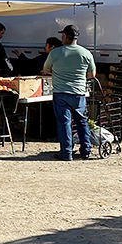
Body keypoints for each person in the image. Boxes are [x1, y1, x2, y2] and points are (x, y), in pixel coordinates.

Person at [43, 24, 96, 161]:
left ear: (65, 37)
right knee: (82, 121)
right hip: (79, 93)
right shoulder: (86, 53)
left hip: (60, 93)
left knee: (64, 122)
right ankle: (86, 151)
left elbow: (46, 70)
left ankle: (66, 153)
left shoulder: (55, 53)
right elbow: (92, 74)